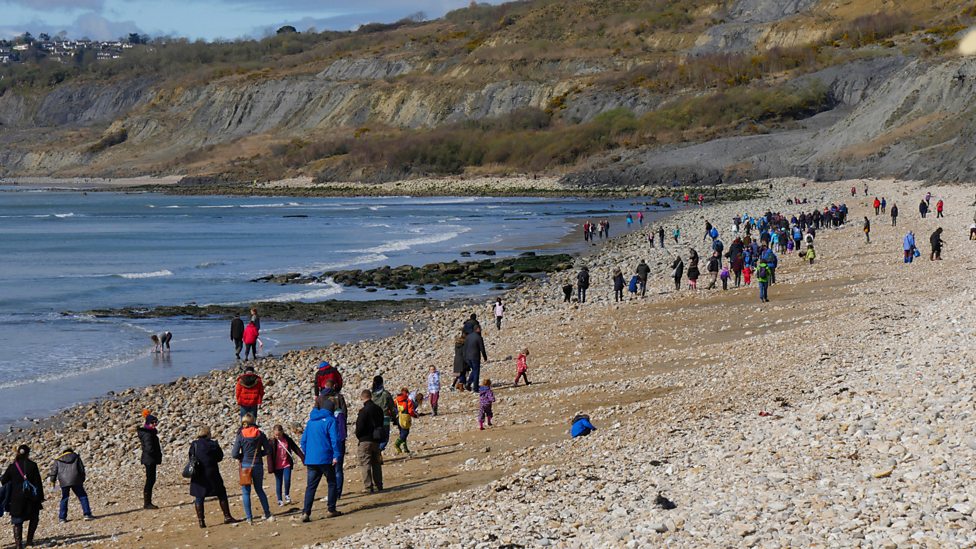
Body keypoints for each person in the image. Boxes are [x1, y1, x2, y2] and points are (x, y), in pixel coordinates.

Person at [300, 396, 342, 522]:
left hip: (312, 459)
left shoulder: (311, 421)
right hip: (326, 457)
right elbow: (335, 440)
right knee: (332, 482)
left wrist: (308, 454)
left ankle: (306, 512)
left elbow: (303, 441)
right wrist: (336, 455)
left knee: (311, 486)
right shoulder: (330, 420)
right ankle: (331, 509)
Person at [189, 426, 239, 528]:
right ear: (208, 434)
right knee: (221, 493)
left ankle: (201, 521)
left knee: (199, 497)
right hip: (212, 472)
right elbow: (219, 457)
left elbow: (191, 457)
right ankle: (227, 516)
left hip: (198, 473)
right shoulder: (213, 444)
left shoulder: (194, 444)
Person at [232, 414, 273, 524]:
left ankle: (249, 517)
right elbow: (269, 450)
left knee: (246, 492)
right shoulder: (260, 434)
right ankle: (267, 513)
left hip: (246, 465)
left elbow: (234, 453)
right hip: (258, 464)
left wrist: (242, 456)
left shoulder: (240, 435)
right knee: (259, 490)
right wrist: (260, 454)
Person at [2, 445, 43, 548]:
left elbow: (3, 480)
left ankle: (18, 544)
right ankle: (29, 541)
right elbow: (38, 483)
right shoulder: (33, 465)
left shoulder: (12, 466)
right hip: (31, 498)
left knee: (17, 521)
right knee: (34, 518)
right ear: (28, 453)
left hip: (16, 498)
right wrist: (40, 497)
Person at [48, 448, 93, 523]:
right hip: (76, 480)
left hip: (63, 482)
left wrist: (53, 482)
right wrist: (82, 479)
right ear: (71, 451)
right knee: (82, 496)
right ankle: (87, 514)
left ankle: (62, 518)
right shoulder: (76, 457)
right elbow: (81, 469)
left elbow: (54, 472)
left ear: (63, 452)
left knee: (65, 498)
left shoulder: (58, 460)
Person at [355, 389, 384, 494]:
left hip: (365, 440)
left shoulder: (363, 411)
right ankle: (379, 484)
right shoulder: (378, 409)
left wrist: (359, 436)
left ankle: (368, 486)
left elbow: (359, 427)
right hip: (376, 439)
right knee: (376, 463)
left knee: (365, 463)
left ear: (362, 398)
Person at [268, 425, 304, 507]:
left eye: (279, 435)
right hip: (277, 466)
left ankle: (287, 495)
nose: (277, 436)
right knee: (279, 482)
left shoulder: (287, 439)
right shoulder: (271, 441)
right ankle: (279, 499)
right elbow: (269, 455)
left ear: (282, 432)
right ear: (273, 433)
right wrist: (270, 468)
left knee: (287, 479)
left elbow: (295, 448)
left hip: (286, 464)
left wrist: (303, 458)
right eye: (276, 435)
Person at [137, 411, 162, 510]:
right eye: (153, 422)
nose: (155, 424)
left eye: (156, 422)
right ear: (148, 423)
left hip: (150, 459)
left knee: (151, 479)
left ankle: (148, 502)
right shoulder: (148, 434)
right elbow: (149, 448)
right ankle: (147, 503)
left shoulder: (149, 432)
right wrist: (155, 453)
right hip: (149, 459)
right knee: (150, 480)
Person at [370, 376, 396, 451]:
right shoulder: (386, 394)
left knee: (376, 437)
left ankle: (376, 454)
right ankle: (377, 451)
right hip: (385, 418)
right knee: (385, 438)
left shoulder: (372, 394)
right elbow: (392, 408)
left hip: (374, 418)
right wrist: (395, 418)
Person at [393, 388, 417, 454]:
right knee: (405, 433)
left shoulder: (396, 400)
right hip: (405, 418)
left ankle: (405, 448)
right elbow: (410, 411)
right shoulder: (408, 401)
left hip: (398, 418)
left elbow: (392, 408)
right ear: (406, 393)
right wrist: (415, 415)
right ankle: (397, 444)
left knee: (401, 432)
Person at [464, 326, 488, 391]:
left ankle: (468, 384)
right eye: (480, 329)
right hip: (475, 357)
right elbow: (482, 349)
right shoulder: (479, 337)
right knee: (476, 372)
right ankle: (475, 387)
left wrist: (465, 357)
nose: (481, 330)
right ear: (477, 329)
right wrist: (485, 357)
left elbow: (465, 347)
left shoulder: (468, 337)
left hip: (467, 357)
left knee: (474, 370)